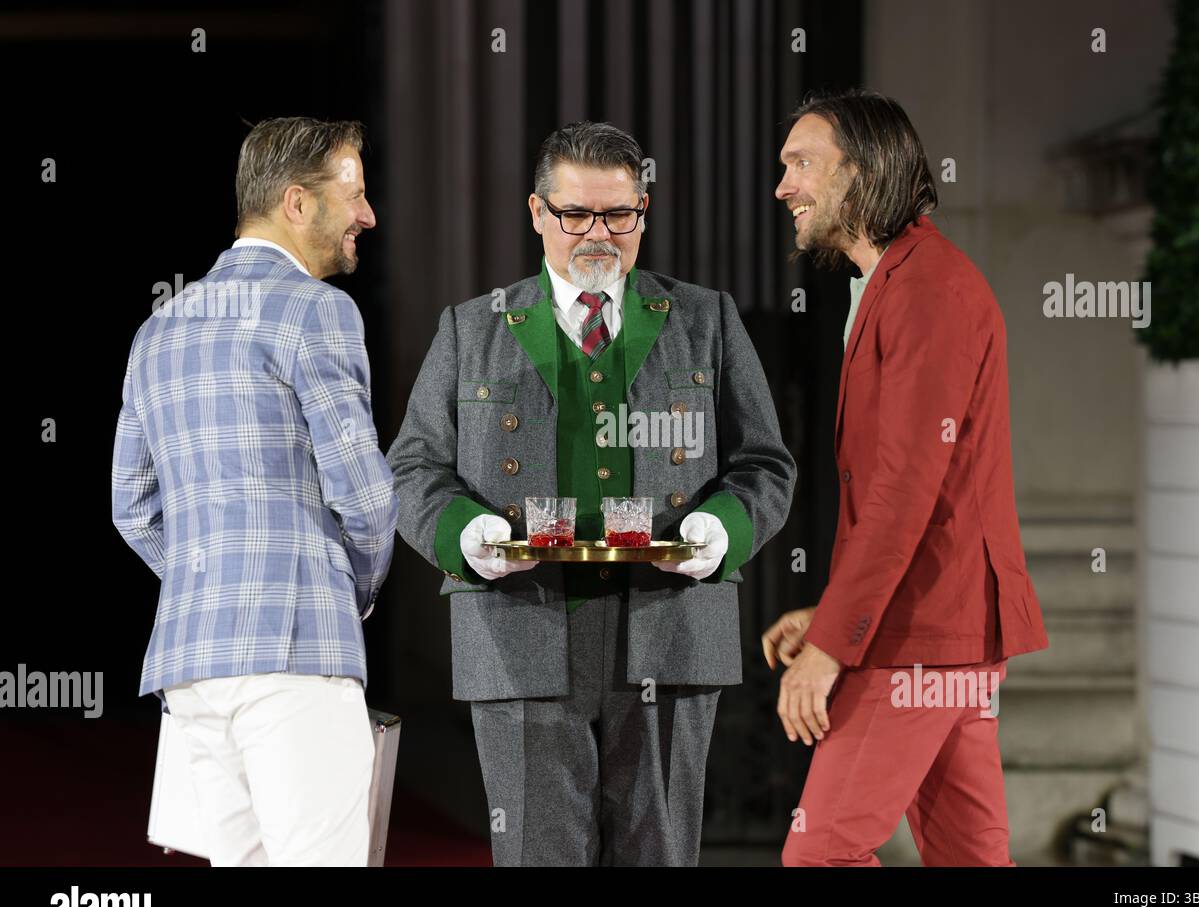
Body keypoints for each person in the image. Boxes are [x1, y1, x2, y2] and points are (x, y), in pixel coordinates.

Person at [387, 120, 795, 866]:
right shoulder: (470, 328)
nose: (596, 233)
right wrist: (463, 536)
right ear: (537, 212)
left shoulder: (706, 319)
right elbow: (412, 466)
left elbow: (767, 463)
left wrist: (722, 529)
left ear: (645, 209)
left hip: (671, 636)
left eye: (619, 214)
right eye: (576, 213)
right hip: (520, 632)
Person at [764, 90, 1049, 866]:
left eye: (802, 164)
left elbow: (904, 490)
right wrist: (832, 612)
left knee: (818, 854)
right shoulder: (904, 279)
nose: (783, 185)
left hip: (923, 638)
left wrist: (831, 646)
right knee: (969, 858)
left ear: (861, 175)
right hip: (946, 627)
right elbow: (916, 494)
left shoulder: (927, 289)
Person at [110, 117, 396, 866]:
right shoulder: (318, 311)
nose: (368, 215)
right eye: (355, 194)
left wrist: (212, 577)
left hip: (192, 665)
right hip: (298, 654)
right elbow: (365, 497)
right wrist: (350, 588)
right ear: (297, 204)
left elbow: (130, 507)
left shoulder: (158, 330)